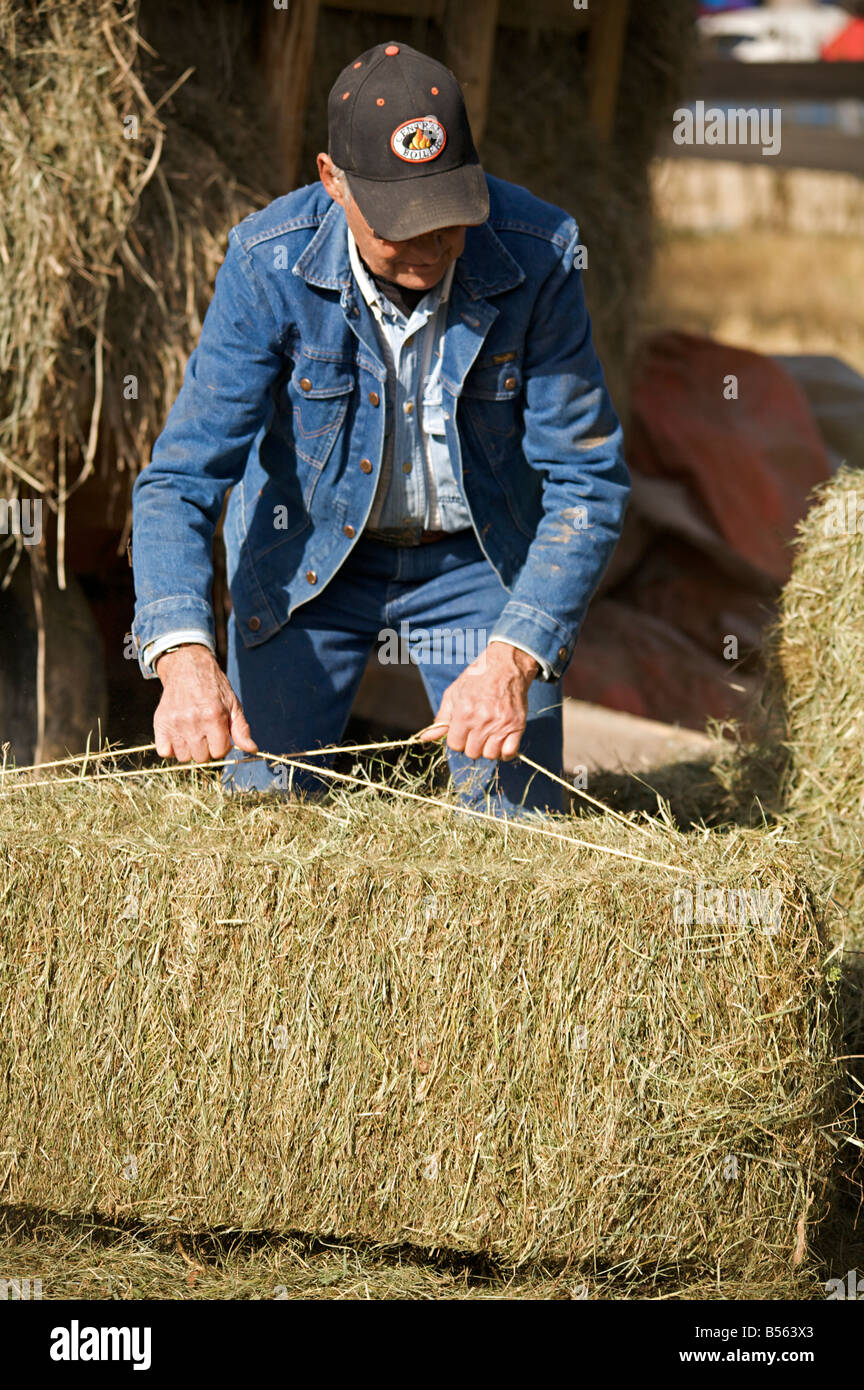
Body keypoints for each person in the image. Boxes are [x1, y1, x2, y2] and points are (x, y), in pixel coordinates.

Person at [130, 41, 630, 815]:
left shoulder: (541, 254)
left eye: (449, 216)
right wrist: (183, 656)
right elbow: (180, 482)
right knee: (268, 823)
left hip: (476, 562)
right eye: (405, 224)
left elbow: (586, 480)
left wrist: (514, 655)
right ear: (333, 181)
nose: (432, 247)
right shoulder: (268, 264)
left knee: (521, 839)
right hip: (306, 563)